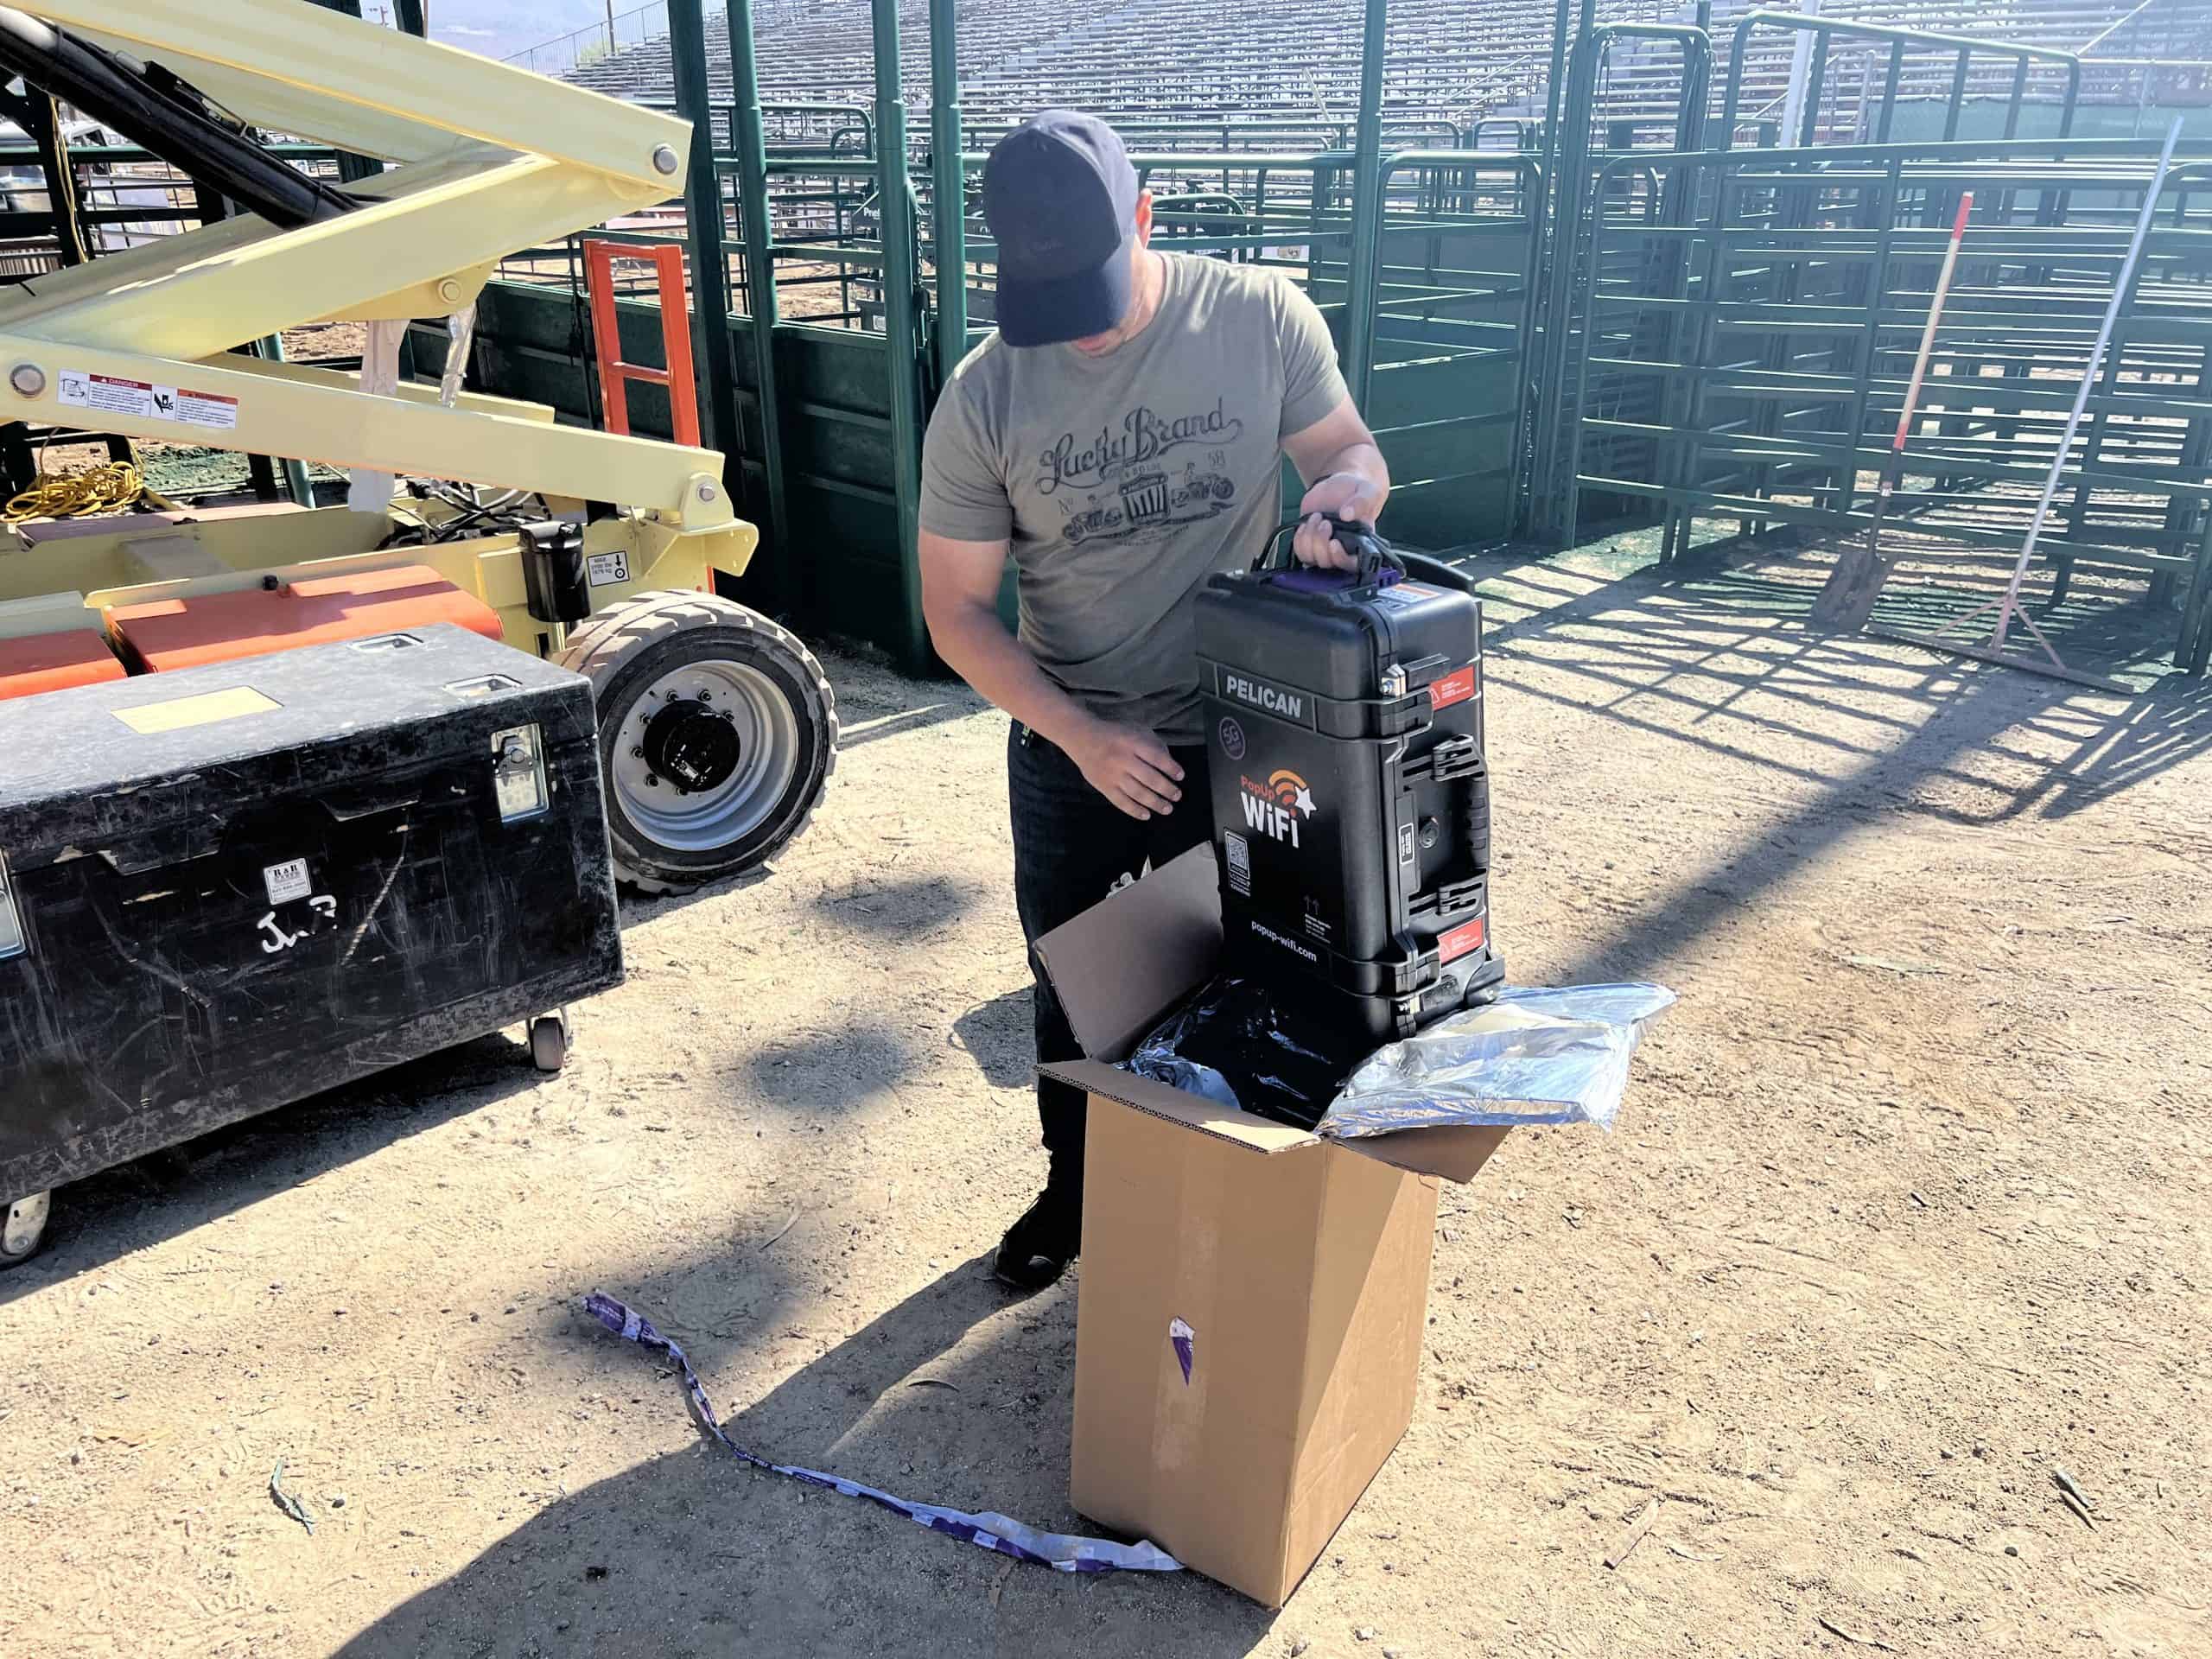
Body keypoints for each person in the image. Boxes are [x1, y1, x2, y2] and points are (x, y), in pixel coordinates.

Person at [918, 110, 1391, 1291]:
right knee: (1075, 983)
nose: (1078, 329)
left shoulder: (1260, 315)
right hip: (1075, 739)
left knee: (1264, 968)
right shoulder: (984, 395)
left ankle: (1228, 1201)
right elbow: (956, 612)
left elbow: (1349, 452)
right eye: (1048, 299)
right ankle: (1075, 1188)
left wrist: (1339, 504)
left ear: (1146, 214)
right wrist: (1081, 736)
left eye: (1095, 286)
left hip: (1253, 728)